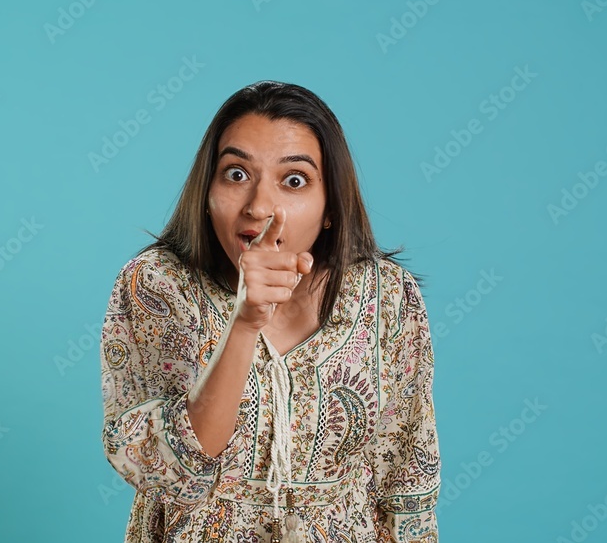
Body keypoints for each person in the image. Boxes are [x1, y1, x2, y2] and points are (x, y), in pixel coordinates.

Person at [99, 80, 440, 542]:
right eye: (236, 174)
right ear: (207, 191)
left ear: (330, 208)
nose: (259, 206)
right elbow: (163, 471)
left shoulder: (387, 296)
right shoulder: (158, 285)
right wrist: (245, 323)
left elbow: (408, 477)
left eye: (293, 180)